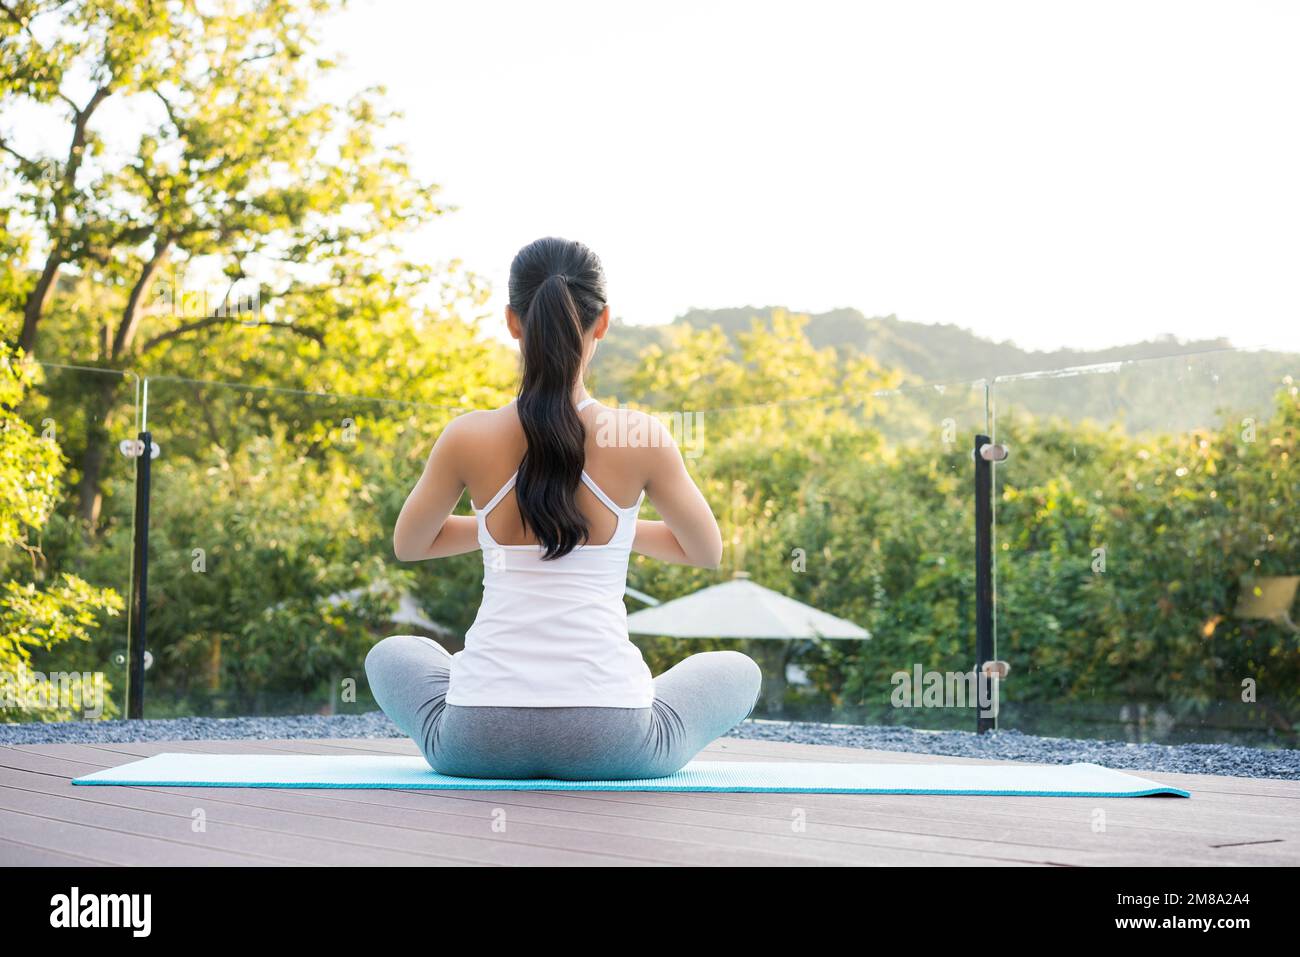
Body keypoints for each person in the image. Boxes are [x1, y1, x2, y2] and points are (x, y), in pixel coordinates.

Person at [365, 236, 761, 779]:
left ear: (511, 321)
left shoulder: (468, 436)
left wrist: (498, 528)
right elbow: (705, 551)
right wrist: (612, 529)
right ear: (602, 323)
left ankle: (492, 686)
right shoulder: (637, 434)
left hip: (476, 743)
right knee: (737, 670)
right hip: (614, 745)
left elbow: (410, 546)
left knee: (390, 654)